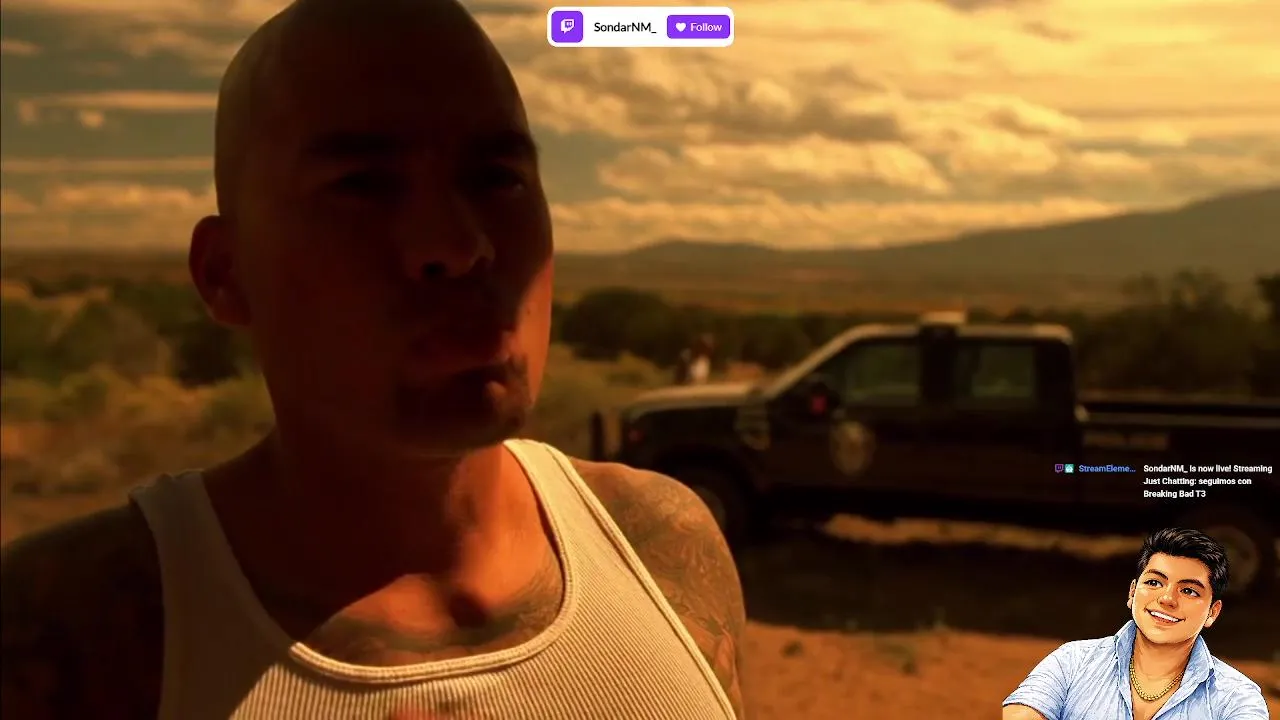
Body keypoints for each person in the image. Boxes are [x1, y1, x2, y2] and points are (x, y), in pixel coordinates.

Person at [0, 1, 746, 718]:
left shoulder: (663, 547)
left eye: (499, 178)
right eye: (362, 186)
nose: (458, 246)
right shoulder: (77, 634)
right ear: (225, 274)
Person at [1002, 527, 1268, 720]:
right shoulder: (1072, 661)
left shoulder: (1237, 697)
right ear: (1132, 593)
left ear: (1212, 612)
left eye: (1188, 591)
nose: (1167, 599)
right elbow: (1020, 713)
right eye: (1154, 582)